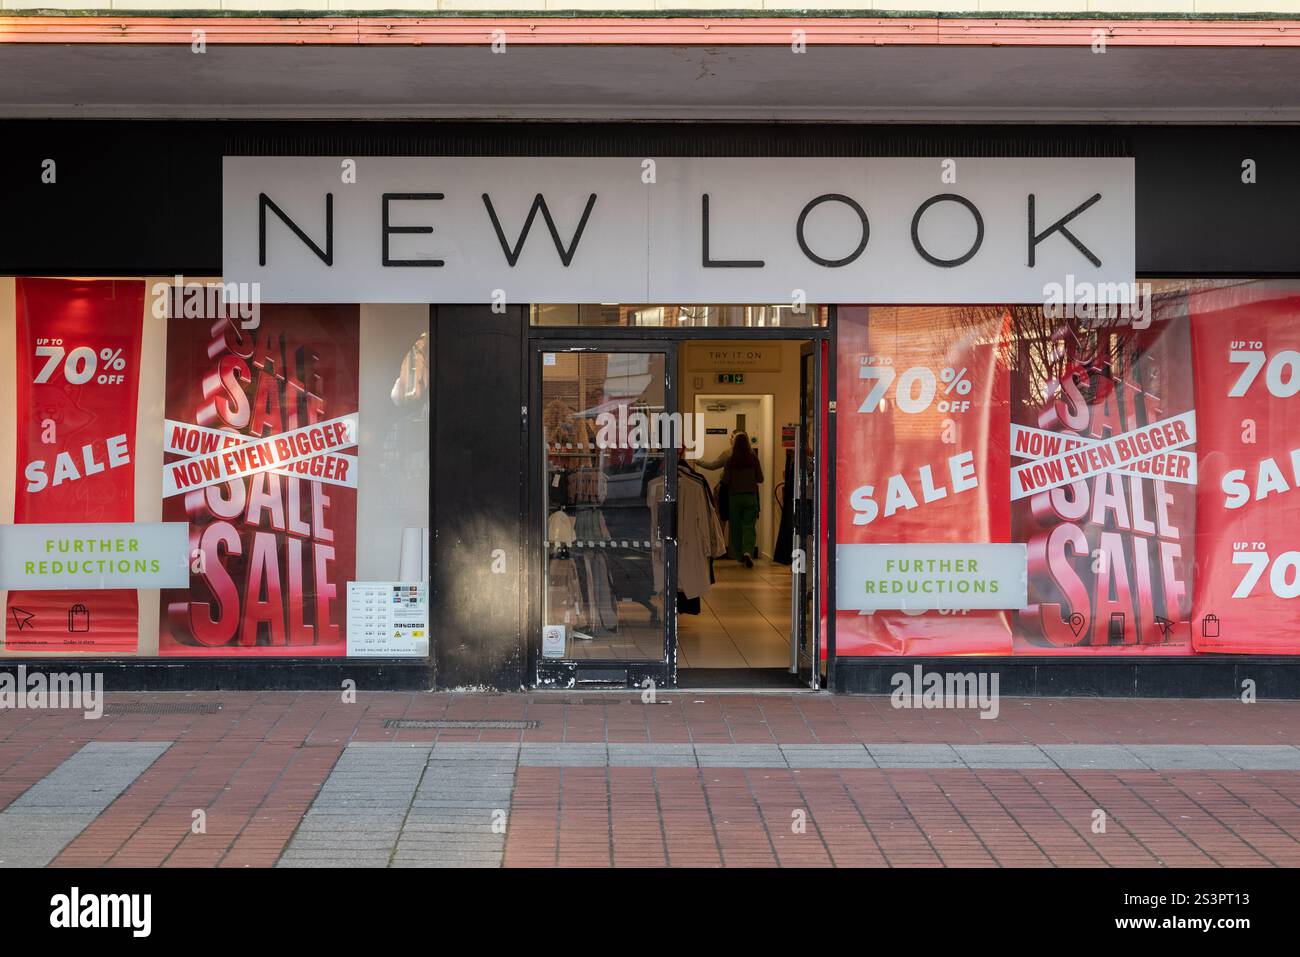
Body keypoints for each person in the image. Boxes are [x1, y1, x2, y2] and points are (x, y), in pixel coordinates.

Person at [709, 432, 763, 568]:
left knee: (736, 528)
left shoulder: (730, 460)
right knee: (749, 526)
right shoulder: (753, 459)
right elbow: (760, 478)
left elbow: (725, 480)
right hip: (751, 497)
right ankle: (748, 551)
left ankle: (739, 555)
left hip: (735, 498)